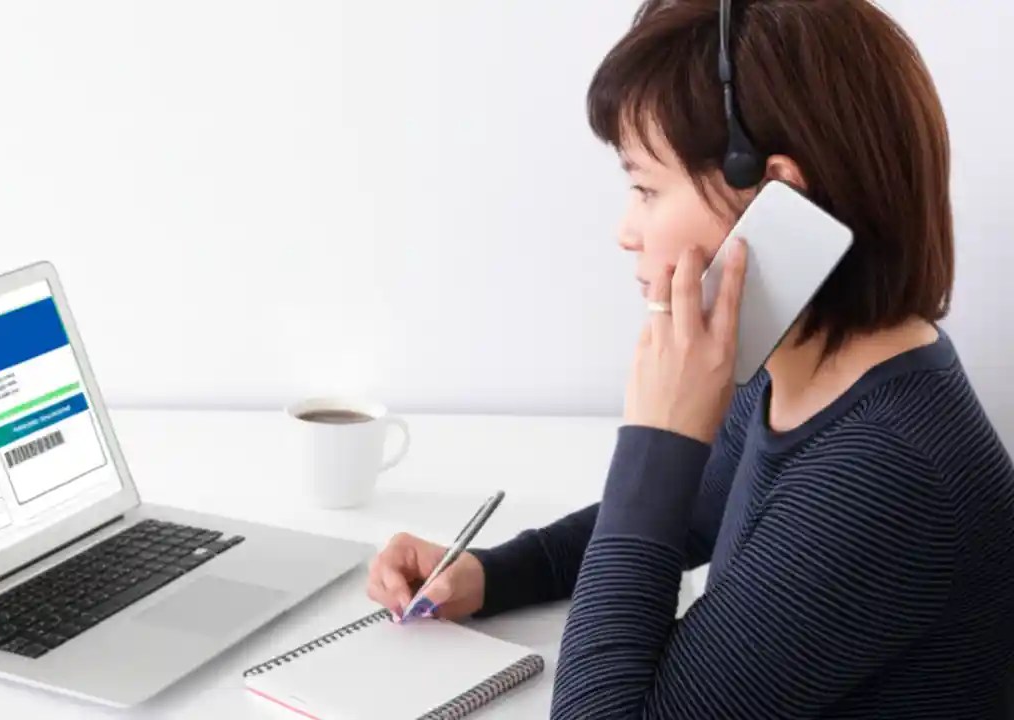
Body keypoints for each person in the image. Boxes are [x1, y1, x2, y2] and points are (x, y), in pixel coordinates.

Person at [366, 1, 1014, 717]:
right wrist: (495, 574)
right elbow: (696, 515)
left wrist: (659, 440)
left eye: (645, 187)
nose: (625, 230)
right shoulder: (807, 369)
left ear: (779, 197)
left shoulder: (890, 474)